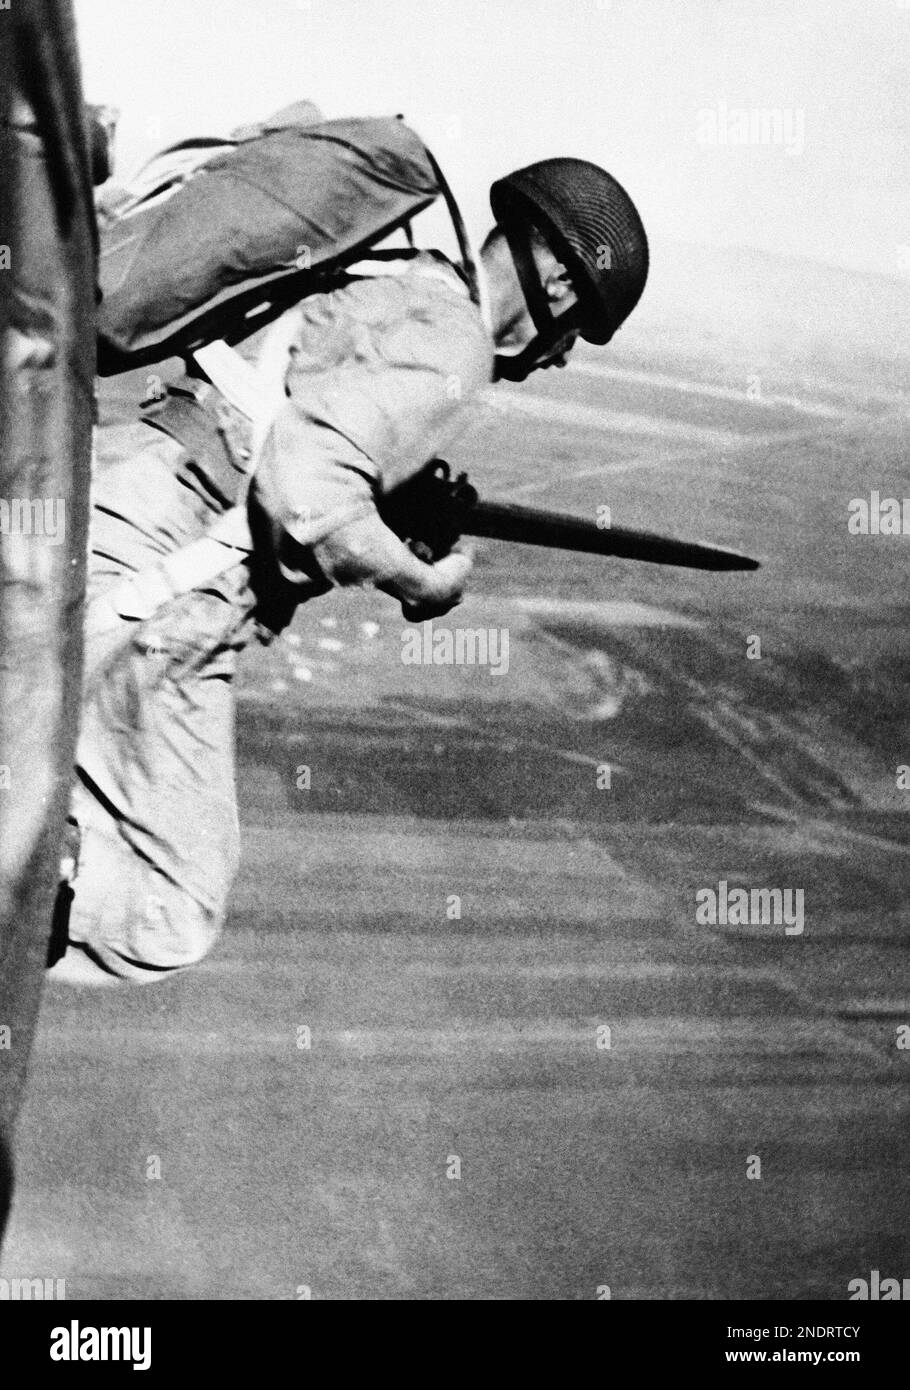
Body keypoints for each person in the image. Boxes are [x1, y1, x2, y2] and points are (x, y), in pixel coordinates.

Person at [47, 156, 649, 986]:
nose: (565, 356)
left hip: (129, 506)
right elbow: (306, 491)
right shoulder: (457, 342)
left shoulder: (398, 274)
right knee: (171, 908)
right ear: (555, 277)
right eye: (581, 329)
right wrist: (420, 580)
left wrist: (393, 500)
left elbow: (285, 420)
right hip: (169, 576)